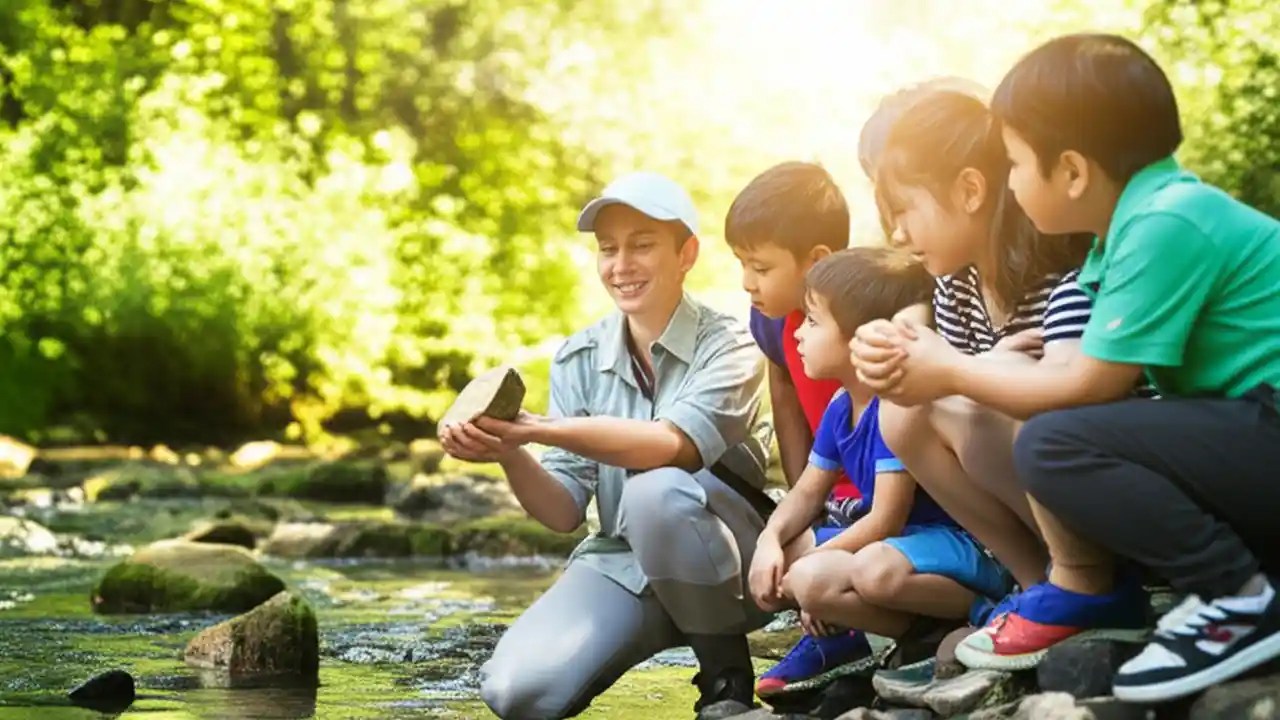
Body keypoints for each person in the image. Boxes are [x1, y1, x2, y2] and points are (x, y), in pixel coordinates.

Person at [857, 33, 1280, 702]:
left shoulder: (1168, 220)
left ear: (1074, 171)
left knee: (1057, 440)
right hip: (1249, 429)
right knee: (1059, 438)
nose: (1011, 182)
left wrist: (949, 370)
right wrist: (917, 348)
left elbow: (1085, 385)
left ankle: (1240, 598)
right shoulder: (1123, 237)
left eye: (1017, 163)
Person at [441, 171, 774, 719]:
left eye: (642, 245)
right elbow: (563, 511)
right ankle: (669, 626)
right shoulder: (576, 357)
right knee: (516, 694)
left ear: (686, 253)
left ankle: (725, 673)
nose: (621, 265)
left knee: (655, 493)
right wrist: (508, 449)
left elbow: (671, 446)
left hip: (733, 562)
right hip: (623, 561)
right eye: (608, 249)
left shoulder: (733, 343)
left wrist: (536, 426)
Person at [853, 88, 1096, 611]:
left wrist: (961, 368)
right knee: (902, 409)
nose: (897, 233)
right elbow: (945, 386)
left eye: (905, 211)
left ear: (969, 190)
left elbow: (1062, 396)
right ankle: (1033, 583)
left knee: (998, 374)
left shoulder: (1058, 277)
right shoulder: (956, 287)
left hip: (1101, 487)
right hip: (1040, 496)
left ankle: (1087, 576)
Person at [748, 248, 1008, 697]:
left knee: (854, 573)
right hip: (899, 547)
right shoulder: (841, 406)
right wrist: (768, 541)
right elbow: (807, 493)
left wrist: (812, 567)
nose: (796, 336)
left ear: (858, 338)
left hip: (949, 543)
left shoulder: (894, 406)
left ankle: (985, 611)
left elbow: (886, 518)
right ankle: (913, 638)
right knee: (793, 558)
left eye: (813, 322)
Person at [725, 161, 851, 490]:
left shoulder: (863, 317)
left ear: (818, 261)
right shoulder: (771, 320)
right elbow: (784, 394)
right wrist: (802, 493)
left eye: (761, 269)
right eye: (742, 264)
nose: (747, 282)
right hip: (824, 488)